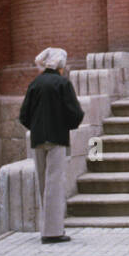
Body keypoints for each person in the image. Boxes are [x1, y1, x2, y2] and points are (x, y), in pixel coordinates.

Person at [19, 47, 84, 243]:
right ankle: (53, 231)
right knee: (55, 183)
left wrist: (37, 127)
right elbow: (75, 113)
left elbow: (24, 115)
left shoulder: (35, 84)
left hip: (38, 139)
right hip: (57, 138)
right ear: (60, 65)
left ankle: (45, 228)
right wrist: (69, 124)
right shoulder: (62, 83)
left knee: (43, 183)